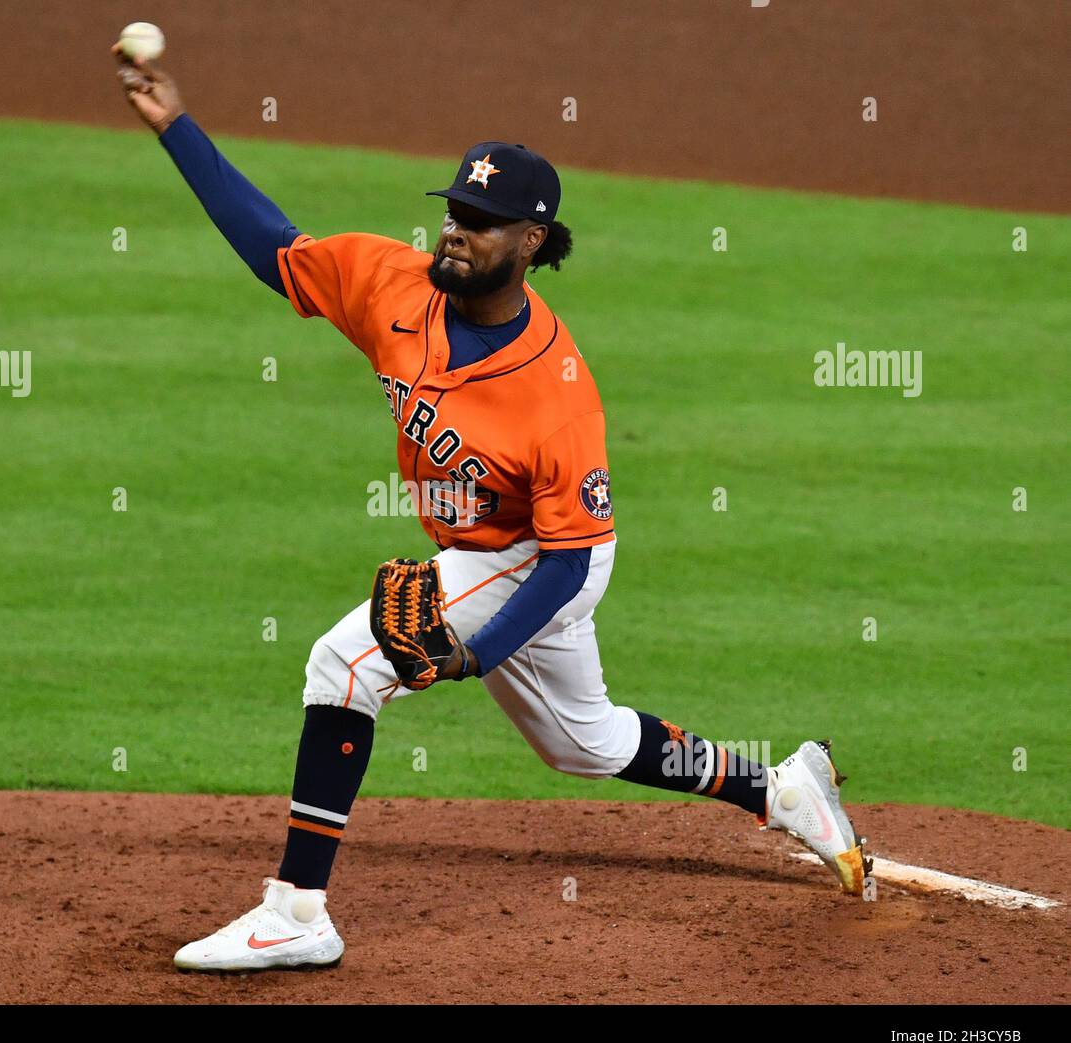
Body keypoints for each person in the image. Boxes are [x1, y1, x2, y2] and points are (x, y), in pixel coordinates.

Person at [112, 50, 870, 974]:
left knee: (344, 662)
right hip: (489, 550)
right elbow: (275, 248)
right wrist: (176, 129)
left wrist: (477, 652)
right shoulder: (393, 285)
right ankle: (783, 790)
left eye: (480, 223)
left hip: (544, 553)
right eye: (452, 212)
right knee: (581, 744)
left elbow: (562, 563)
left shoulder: (556, 394)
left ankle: (297, 911)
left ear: (534, 245)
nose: (455, 232)